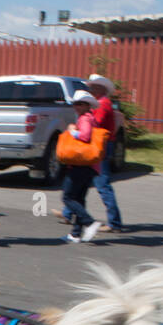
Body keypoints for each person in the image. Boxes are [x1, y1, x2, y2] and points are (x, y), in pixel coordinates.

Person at [61, 91, 102, 244]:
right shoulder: (91, 118)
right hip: (90, 166)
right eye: (74, 104)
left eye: (79, 104)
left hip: (81, 165)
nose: (76, 107)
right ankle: (75, 234)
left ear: (87, 105)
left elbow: (84, 136)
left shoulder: (85, 119)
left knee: (68, 197)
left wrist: (72, 131)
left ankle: (89, 223)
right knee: (79, 199)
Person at [85, 74, 124, 232]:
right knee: (83, 179)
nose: (91, 89)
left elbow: (97, 124)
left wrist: (84, 121)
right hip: (100, 145)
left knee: (102, 183)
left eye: (94, 87)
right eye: (91, 87)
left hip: (101, 146)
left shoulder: (103, 104)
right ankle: (69, 212)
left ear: (102, 89)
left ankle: (114, 223)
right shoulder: (100, 103)